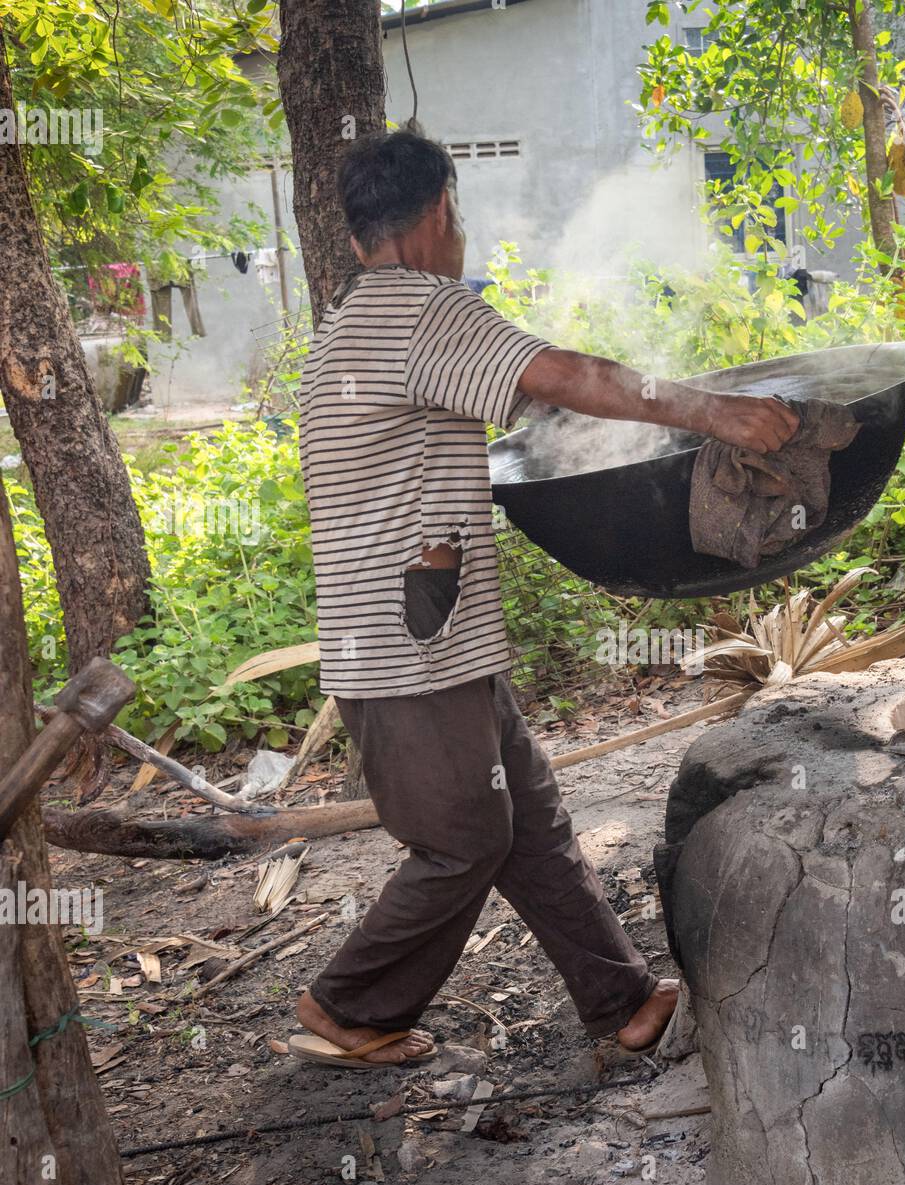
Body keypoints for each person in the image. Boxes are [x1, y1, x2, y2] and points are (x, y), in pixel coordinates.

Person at [290, 130, 798, 1068]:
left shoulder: (355, 320)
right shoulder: (420, 306)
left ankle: (624, 999)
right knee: (466, 840)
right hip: (412, 651)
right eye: (460, 214)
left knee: (525, 816)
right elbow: (562, 373)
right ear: (440, 209)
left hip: (433, 635)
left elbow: (521, 406)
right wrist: (716, 413)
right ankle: (349, 1002)